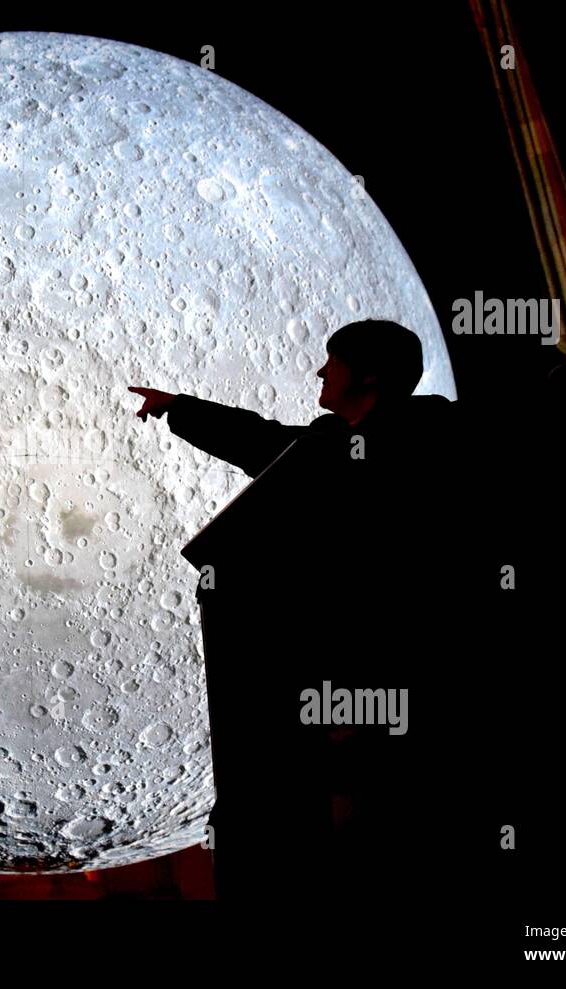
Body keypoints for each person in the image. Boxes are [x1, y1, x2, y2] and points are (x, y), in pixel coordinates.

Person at [130, 319, 467, 902]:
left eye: (330, 362)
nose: (319, 371)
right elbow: (260, 442)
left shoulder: (429, 443)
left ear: (368, 376)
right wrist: (178, 408)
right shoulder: (331, 448)